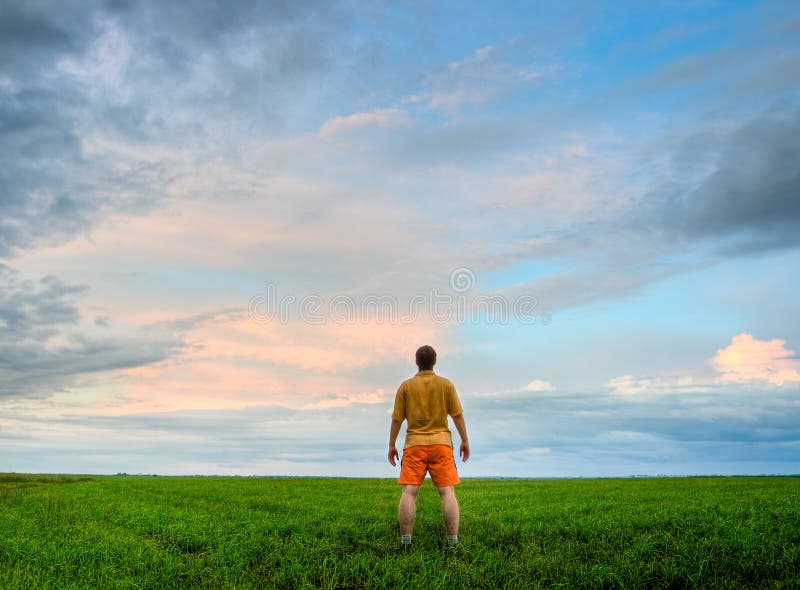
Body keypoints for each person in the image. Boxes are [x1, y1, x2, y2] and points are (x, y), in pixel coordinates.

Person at [388, 345, 470, 548]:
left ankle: (406, 543)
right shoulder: (446, 385)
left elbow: (397, 420)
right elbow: (457, 415)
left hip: (414, 445)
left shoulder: (405, 387)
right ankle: (453, 542)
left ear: (416, 361)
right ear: (435, 361)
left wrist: (391, 445)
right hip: (441, 444)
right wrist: (465, 441)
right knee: (447, 493)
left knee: (409, 492)